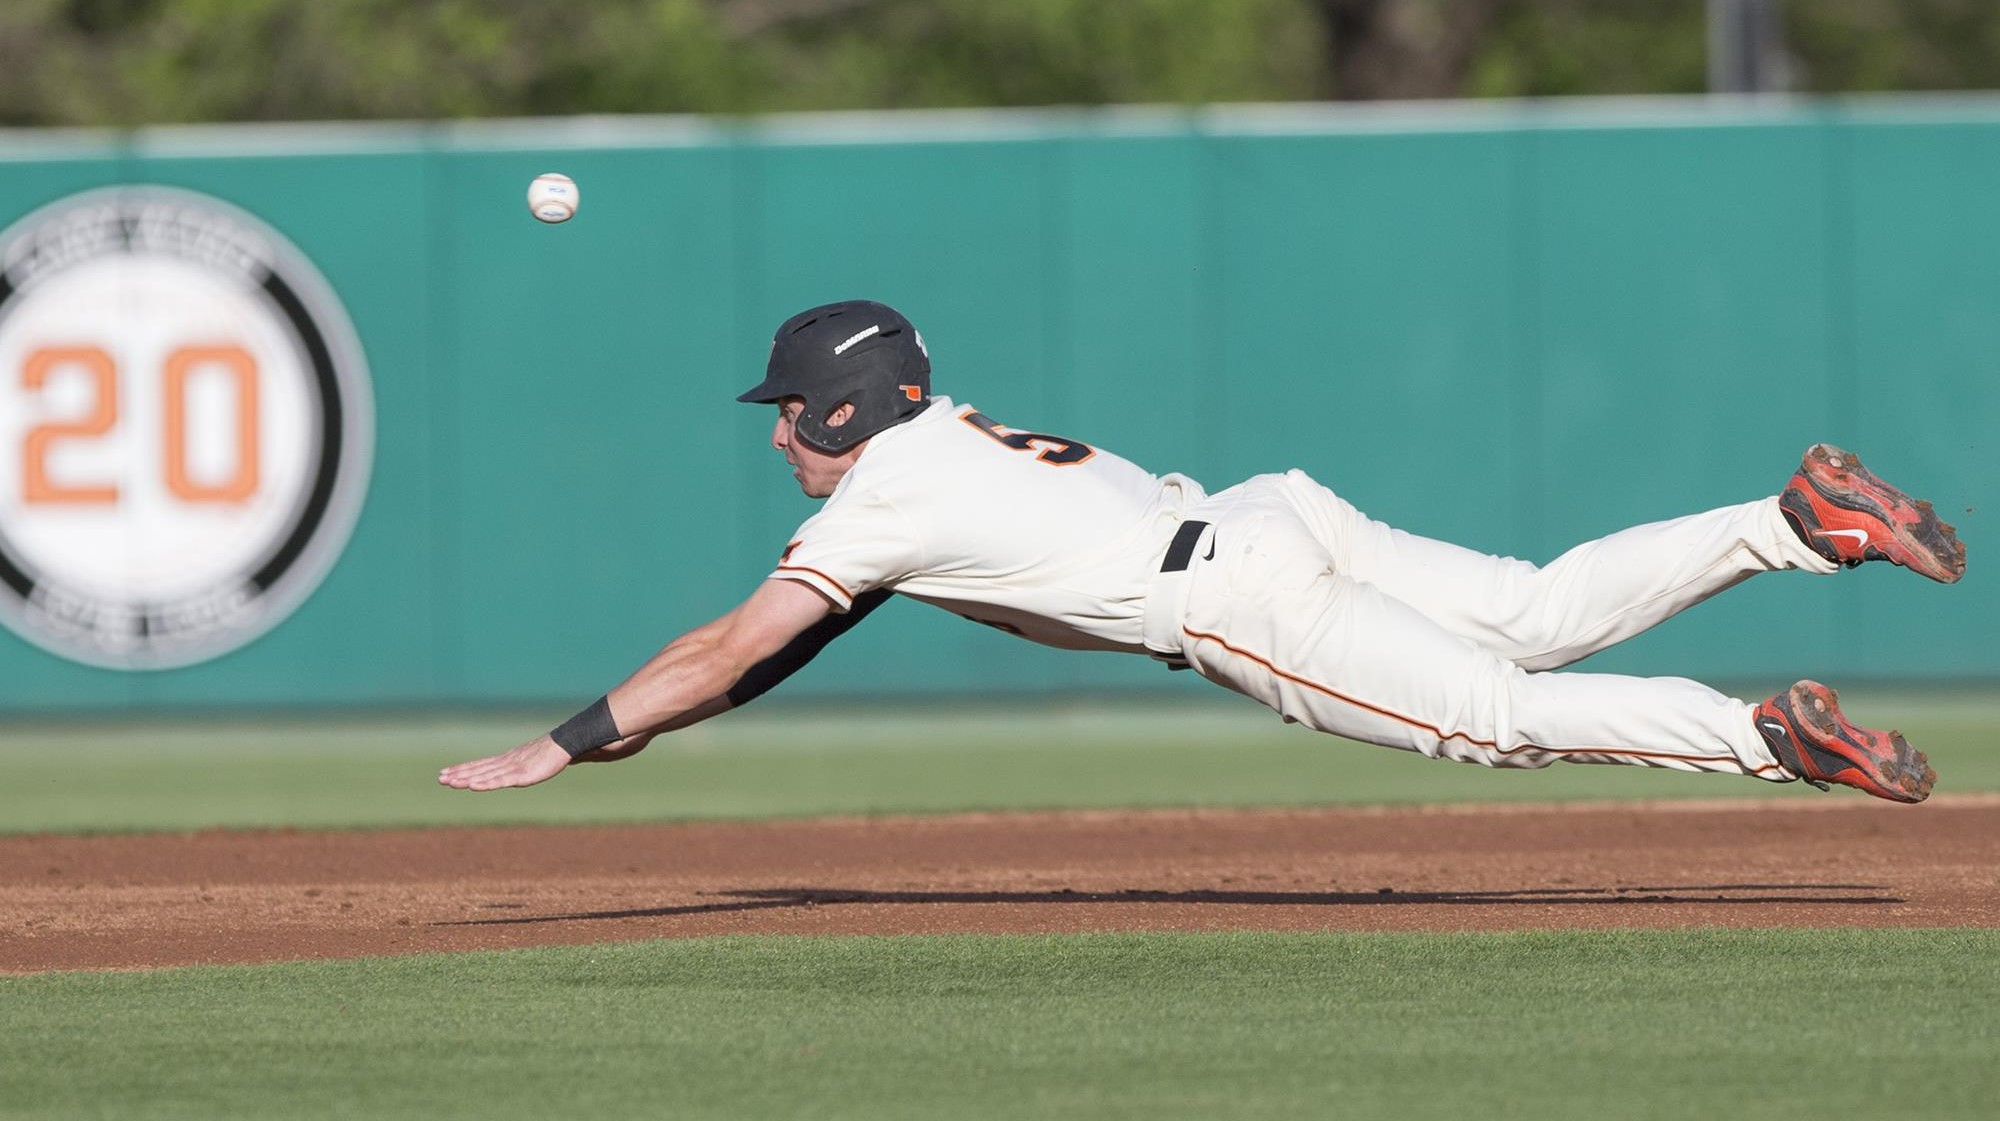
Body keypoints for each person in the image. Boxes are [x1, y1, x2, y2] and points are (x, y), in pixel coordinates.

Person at [440, 299, 1966, 803]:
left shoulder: (877, 501)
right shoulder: (957, 443)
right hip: (1265, 511)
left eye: (788, 411)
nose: (778, 433)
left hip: (1232, 591)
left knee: (1501, 717)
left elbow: (736, 644)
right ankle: (1788, 522)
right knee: (1538, 607)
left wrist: (576, 740)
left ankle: (1765, 739)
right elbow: (780, 656)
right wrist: (659, 725)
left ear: (840, 406)